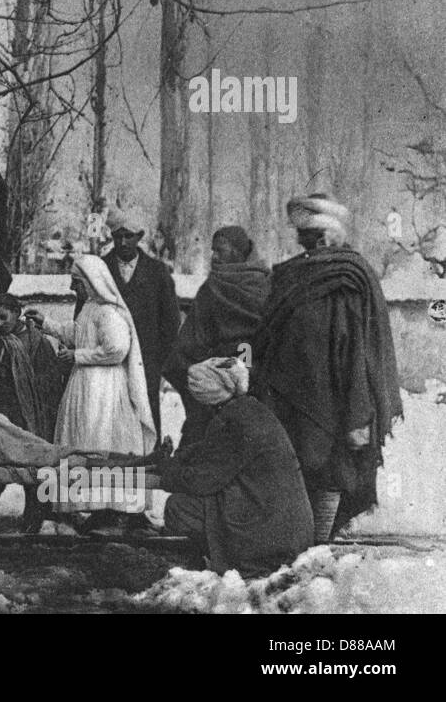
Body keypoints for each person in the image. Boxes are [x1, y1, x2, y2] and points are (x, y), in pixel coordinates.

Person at [253, 194, 401, 543]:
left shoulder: (347, 278)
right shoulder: (292, 275)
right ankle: (303, 540)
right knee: (297, 467)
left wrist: (358, 409)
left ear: (323, 237)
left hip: (334, 392)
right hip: (289, 391)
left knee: (329, 469)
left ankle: (318, 542)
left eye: (306, 237)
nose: (300, 243)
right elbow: (265, 332)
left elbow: (358, 347)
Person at [27, 255, 156, 533]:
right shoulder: (89, 309)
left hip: (104, 388)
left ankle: (112, 512)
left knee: (102, 440)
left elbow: (117, 349)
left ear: (90, 282)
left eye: (77, 283)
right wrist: (46, 323)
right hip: (85, 384)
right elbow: (77, 333)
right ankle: (86, 508)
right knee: (83, 441)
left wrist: (78, 356)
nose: (74, 288)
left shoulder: (109, 312)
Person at [161, 358, 314, 577]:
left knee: (178, 507)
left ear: (205, 398)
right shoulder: (250, 408)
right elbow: (211, 451)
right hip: (286, 526)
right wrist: (181, 459)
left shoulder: (231, 421)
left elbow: (202, 481)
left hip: (271, 536)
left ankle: (228, 566)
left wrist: (168, 472)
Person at [163, 226, 268, 448]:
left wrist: (244, 366)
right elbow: (192, 336)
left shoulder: (264, 285)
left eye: (220, 251)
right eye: (213, 251)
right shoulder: (212, 287)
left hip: (254, 373)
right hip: (214, 373)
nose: (214, 258)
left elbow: (250, 339)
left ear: (239, 253)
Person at [0, 293, 67, 532]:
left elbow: (50, 379)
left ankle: (36, 516)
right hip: (2, 409)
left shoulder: (37, 342)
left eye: (3, 317)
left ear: (17, 313)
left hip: (31, 413)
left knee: (37, 463)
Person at [102, 208, 180, 444]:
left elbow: (170, 320)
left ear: (140, 236)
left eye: (129, 236)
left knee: (146, 407)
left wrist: (162, 360)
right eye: (117, 236)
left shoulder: (157, 271)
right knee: (110, 409)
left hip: (147, 358)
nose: (123, 242)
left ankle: (151, 455)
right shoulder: (100, 268)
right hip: (109, 356)